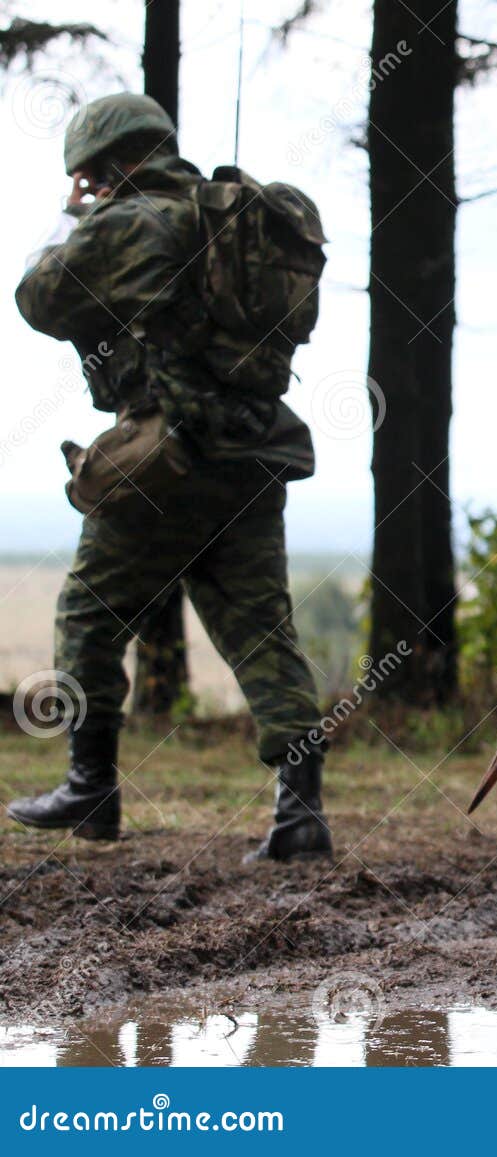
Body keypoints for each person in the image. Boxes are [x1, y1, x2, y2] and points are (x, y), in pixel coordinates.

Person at [6, 93, 333, 862]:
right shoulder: (231, 219)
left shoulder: (128, 222)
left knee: (89, 613)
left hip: (166, 455)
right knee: (261, 631)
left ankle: (91, 783)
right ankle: (302, 813)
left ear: (109, 166)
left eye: (89, 174)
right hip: (252, 452)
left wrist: (73, 214)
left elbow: (36, 297)